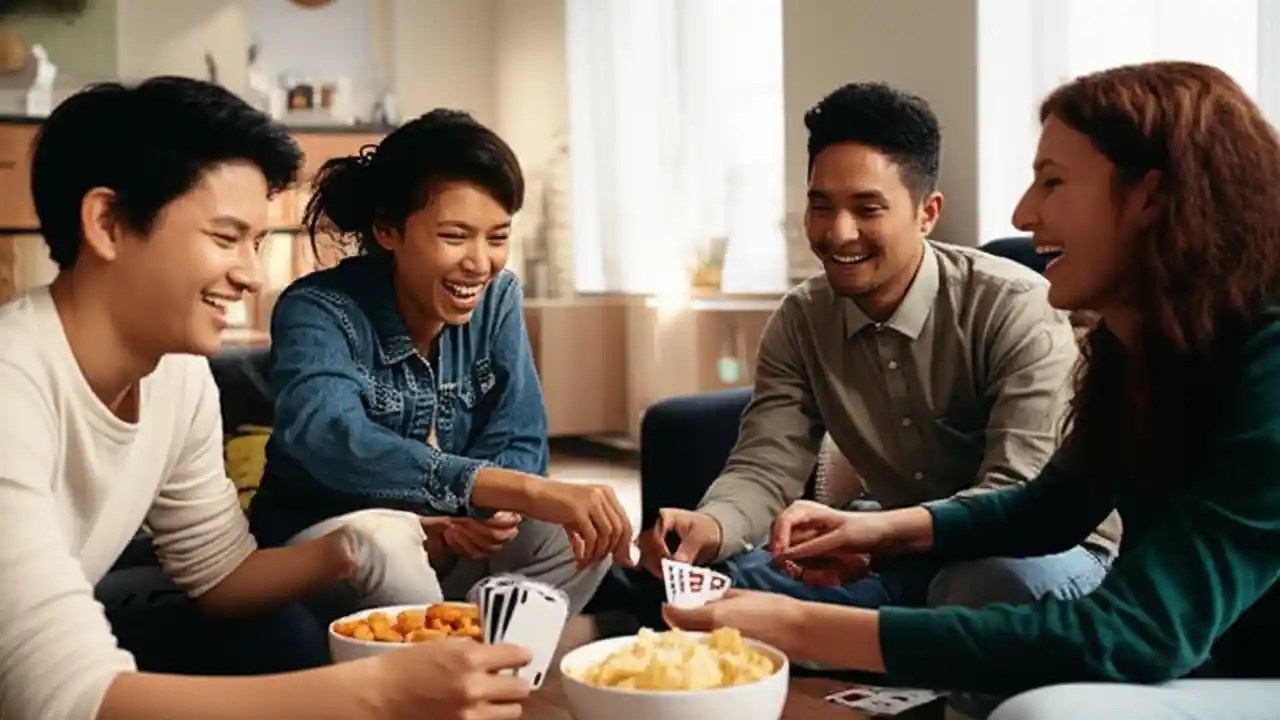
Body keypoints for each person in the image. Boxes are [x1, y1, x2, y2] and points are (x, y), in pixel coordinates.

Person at [663, 61, 1280, 719]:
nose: (1023, 211)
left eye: (1053, 181)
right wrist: (875, 532)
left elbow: (1141, 631)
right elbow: (1050, 506)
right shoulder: (1137, 346)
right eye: (821, 204)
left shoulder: (1265, 359)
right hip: (1205, 658)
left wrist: (803, 626)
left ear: (1150, 198)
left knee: (1025, 685)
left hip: (1235, 666)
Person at [0, 76, 535, 720]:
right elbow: (61, 695)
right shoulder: (14, 382)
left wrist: (360, 544)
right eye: (226, 239)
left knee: (276, 639)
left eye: (255, 243)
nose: (252, 275)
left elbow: (219, 575)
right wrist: (378, 692)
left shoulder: (179, 376)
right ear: (107, 223)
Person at [637, 81, 1117, 613]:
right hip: (891, 545)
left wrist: (873, 535)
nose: (839, 233)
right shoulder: (800, 319)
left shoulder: (1016, 306)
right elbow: (766, 464)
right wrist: (712, 523)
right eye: (821, 207)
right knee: (720, 582)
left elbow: (1019, 494)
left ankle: (854, 624)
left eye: (867, 209)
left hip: (1043, 552)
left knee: (977, 590)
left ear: (927, 213)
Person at [247, 109, 633, 618]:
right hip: (331, 545)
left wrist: (492, 515)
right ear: (388, 230)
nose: (480, 262)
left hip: (455, 540)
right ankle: (444, 664)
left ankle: (481, 651)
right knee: (384, 538)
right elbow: (327, 436)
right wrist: (482, 491)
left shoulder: (498, 298)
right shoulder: (318, 308)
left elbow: (519, 436)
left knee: (576, 528)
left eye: (497, 237)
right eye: (455, 236)